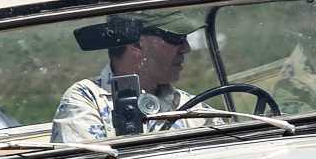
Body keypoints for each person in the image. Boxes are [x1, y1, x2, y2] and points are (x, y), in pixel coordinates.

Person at [51, 22, 204, 143]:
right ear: (137, 45)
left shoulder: (188, 104)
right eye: (175, 38)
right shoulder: (86, 100)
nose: (186, 48)